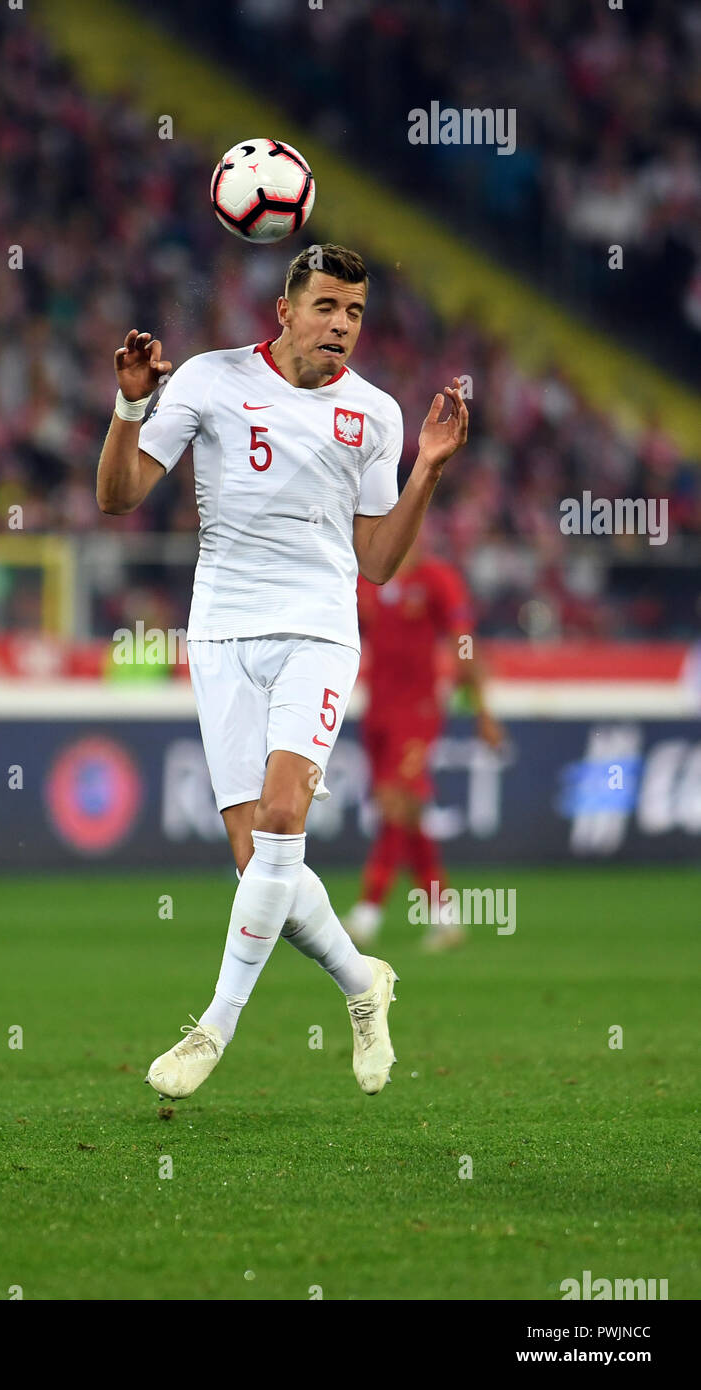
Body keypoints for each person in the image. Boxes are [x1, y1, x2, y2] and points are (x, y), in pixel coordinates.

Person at [95, 244, 469, 1102]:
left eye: (355, 313)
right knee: (255, 858)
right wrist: (128, 402)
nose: (341, 325)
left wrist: (426, 472)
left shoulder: (373, 414)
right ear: (285, 311)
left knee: (281, 816)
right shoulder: (207, 379)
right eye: (327, 307)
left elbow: (375, 561)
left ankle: (211, 1028)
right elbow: (117, 497)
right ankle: (359, 981)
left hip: (317, 630)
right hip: (222, 633)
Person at [344, 541, 504, 951]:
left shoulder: (437, 579)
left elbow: (463, 643)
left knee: (395, 802)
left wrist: (482, 711)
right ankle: (446, 917)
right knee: (406, 813)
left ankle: (367, 913)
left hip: (417, 713)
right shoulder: (368, 577)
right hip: (377, 711)